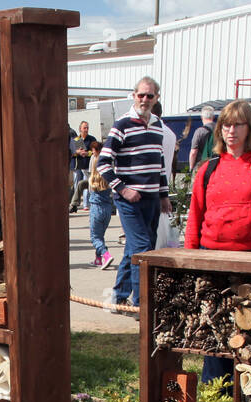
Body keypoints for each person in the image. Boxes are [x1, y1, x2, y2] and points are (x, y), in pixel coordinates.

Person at [186, 99, 251, 383]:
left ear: (249, 127)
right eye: (226, 125)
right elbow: (195, 214)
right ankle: (215, 385)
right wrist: (190, 258)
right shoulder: (209, 168)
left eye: (238, 124)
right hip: (213, 256)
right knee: (217, 324)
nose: (231, 131)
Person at [97, 75, 172, 308]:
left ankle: (118, 297)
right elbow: (103, 163)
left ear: (156, 98)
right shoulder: (122, 125)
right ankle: (142, 304)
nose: (145, 99)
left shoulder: (158, 125)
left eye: (150, 96)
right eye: (141, 95)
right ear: (134, 96)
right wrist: (123, 189)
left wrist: (163, 195)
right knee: (143, 250)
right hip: (129, 200)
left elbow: (158, 162)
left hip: (150, 198)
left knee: (134, 249)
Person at [85, 140, 115, 268]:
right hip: (107, 208)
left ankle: (105, 254)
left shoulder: (93, 182)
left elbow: (88, 185)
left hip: (96, 209)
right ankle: (98, 259)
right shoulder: (108, 182)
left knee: (95, 236)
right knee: (100, 235)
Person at [68, 120, 97, 212]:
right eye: (84, 127)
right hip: (77, 166)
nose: (86, 129)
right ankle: (75, 204)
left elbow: (94, 151)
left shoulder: (91, 139)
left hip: (87, 165)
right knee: (77, 185)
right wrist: (78, 152)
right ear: (80, 129)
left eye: (87, 127)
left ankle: (86, 204)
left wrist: (87, 153)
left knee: (86, 184)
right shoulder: (76, 139)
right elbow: (72, 152)